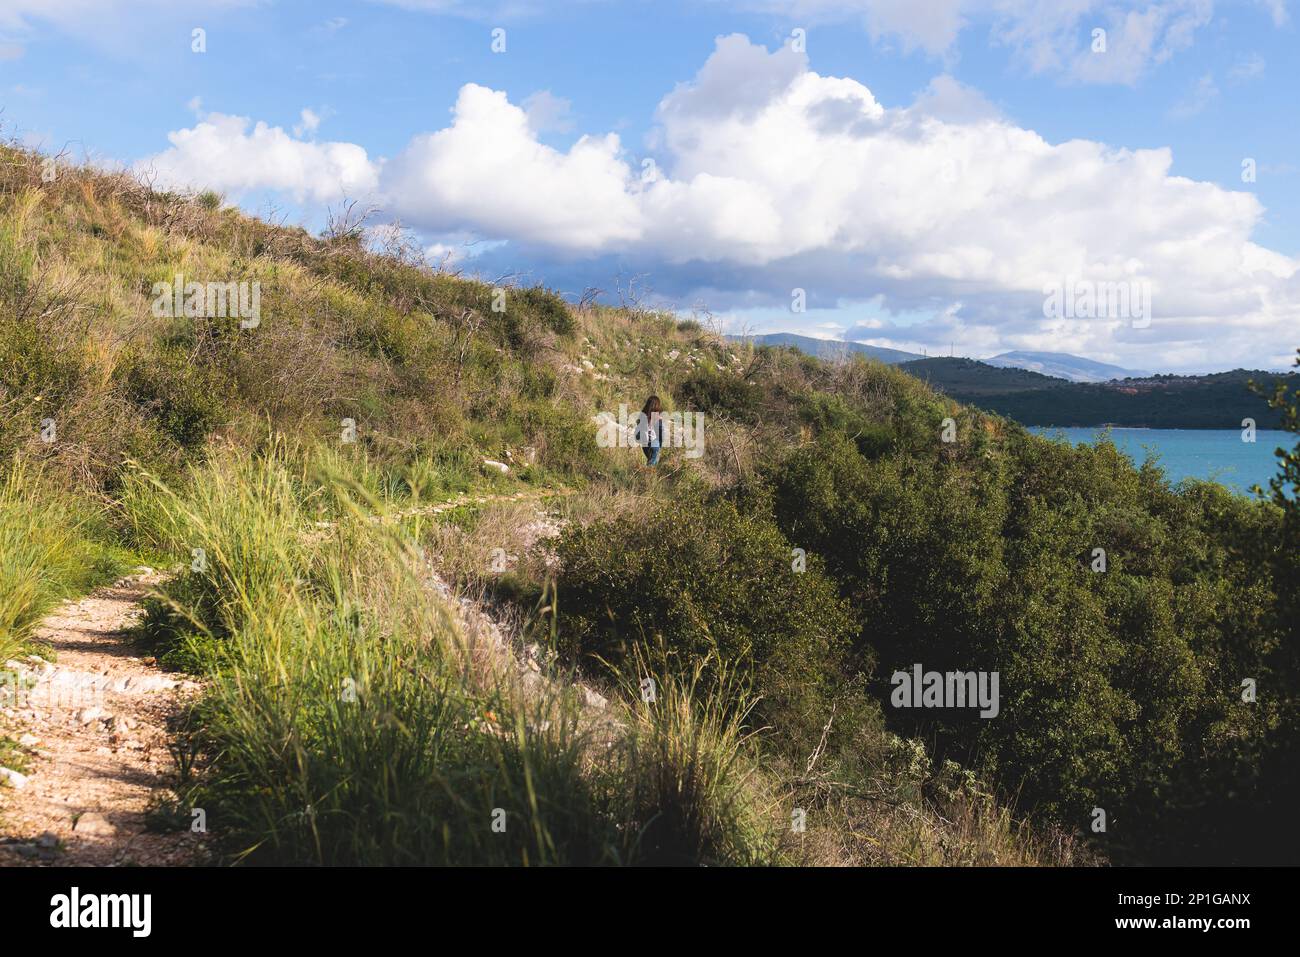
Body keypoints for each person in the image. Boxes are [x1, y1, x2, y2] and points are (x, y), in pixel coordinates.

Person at [636, 395, 664, 466]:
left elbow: (638, 429)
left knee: (650, 461)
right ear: (657, 405)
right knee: (652, 464)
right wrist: (660, 445)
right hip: (654, 443)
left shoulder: (642, 416)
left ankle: (645, 472)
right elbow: (661, 433)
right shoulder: (657, 418)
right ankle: (645, 473)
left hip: (644, 444)